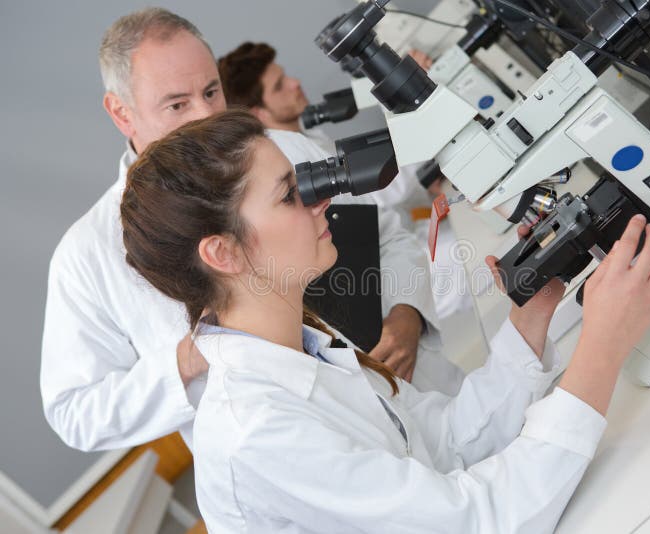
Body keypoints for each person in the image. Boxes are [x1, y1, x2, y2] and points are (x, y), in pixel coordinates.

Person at [121, 109, 650, 534]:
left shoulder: (307, 346)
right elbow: (477, 520)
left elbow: (446, 444)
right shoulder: (257, 432)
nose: (323, 204)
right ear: (223, 253)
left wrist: (529, 322)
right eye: (292, 195)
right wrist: (604, 345)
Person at [38, 7, 449, 455]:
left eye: (211, 92)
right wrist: (188, 359)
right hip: (304, 453)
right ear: (122, 112)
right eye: (177, 104)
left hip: (421, 393)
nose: (204, 117)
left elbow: (385, 232)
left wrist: (408, 314)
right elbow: (74, 411)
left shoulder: (284, 150)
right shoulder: (88, 254)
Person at [218, 41, 473, 322]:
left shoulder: (306, 137)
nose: (294, 83)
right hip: (388, 273)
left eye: (285, 75)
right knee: (473, 250)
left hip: (402, 239)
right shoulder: (290, 157)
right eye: (280, 86)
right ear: (259, 114)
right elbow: (381, 193)